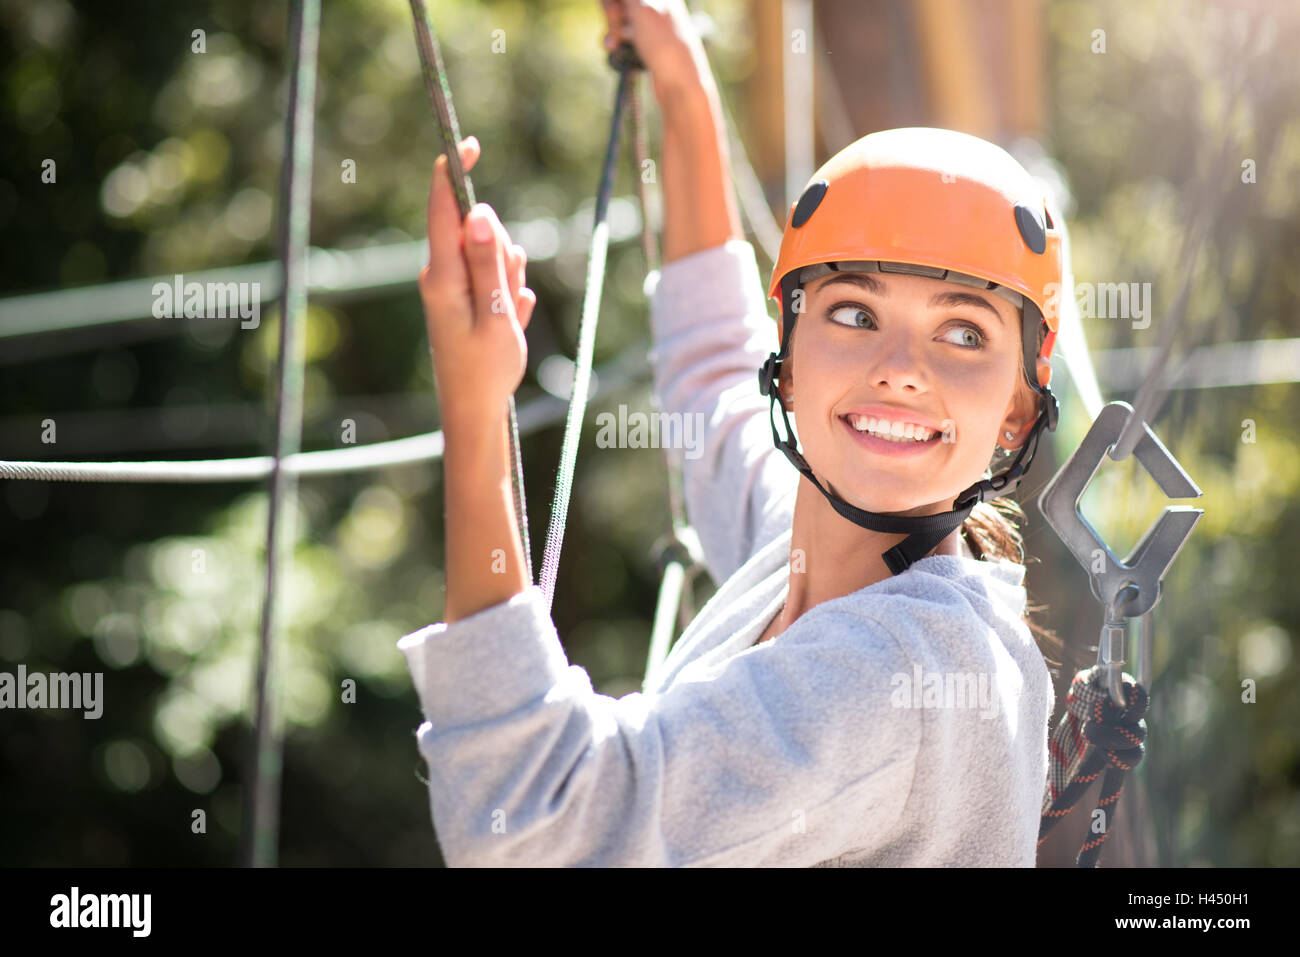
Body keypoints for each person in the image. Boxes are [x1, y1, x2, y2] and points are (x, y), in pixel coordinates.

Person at [400, 0, 1065, 866]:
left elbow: (531, 820)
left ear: (1018, 405)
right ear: (787, 358)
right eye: (855, 311)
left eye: (964, 331)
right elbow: (716, 368)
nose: (902, 366)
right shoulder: (801, 552)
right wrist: (683, 84)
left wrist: (475, 407)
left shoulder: (913, 673)